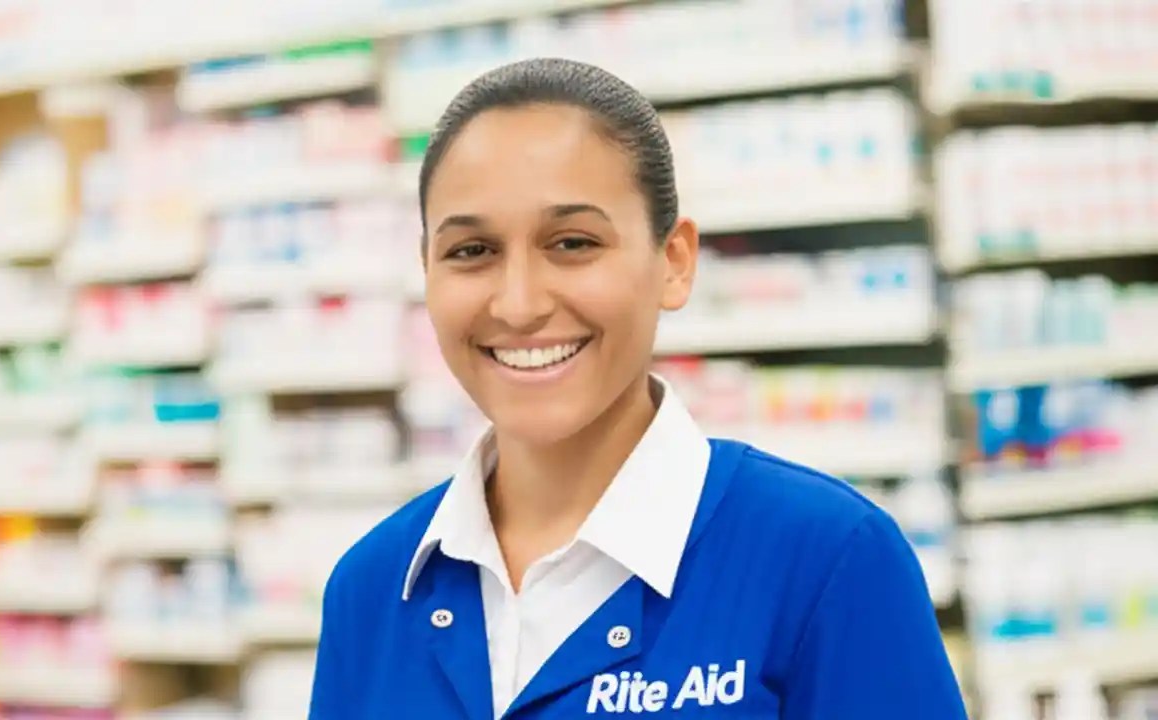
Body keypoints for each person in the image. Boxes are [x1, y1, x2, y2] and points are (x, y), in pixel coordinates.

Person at [309, 57, 967, 720]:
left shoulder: (825, 559)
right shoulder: (371, 591)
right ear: (426, 270)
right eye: (472, 251)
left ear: (674, 262)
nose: (518, 304)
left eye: (571, 242)